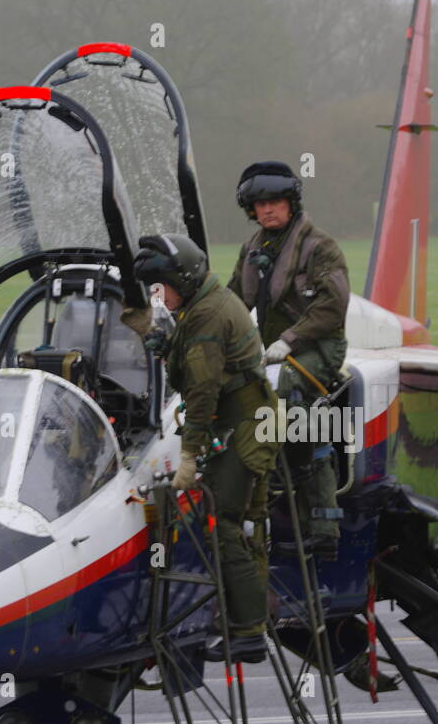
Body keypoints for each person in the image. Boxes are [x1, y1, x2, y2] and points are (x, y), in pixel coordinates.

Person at [127, 234, 279, 663]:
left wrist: (189, 456)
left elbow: (202, 393)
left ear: (184, 279)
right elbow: (191, 357)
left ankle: (248, 632)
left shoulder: (207, 316)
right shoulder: (203, 302)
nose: (159, 297)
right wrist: (163, 342)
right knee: (242, 524)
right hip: (248, 421)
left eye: (162, 288)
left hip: (247, 426)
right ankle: (243, 622)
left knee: (225, 523)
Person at [228, 161, 349, 560]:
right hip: (273, 351)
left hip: (319, 348)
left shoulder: (320, 246)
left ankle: (315, 523)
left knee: (283, 400)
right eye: (260, 204)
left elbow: (333, 307)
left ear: (291, 203)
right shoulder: (251, 249)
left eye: (275, 202)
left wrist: (289, 339)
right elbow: (231, 302)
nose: (268, 210)